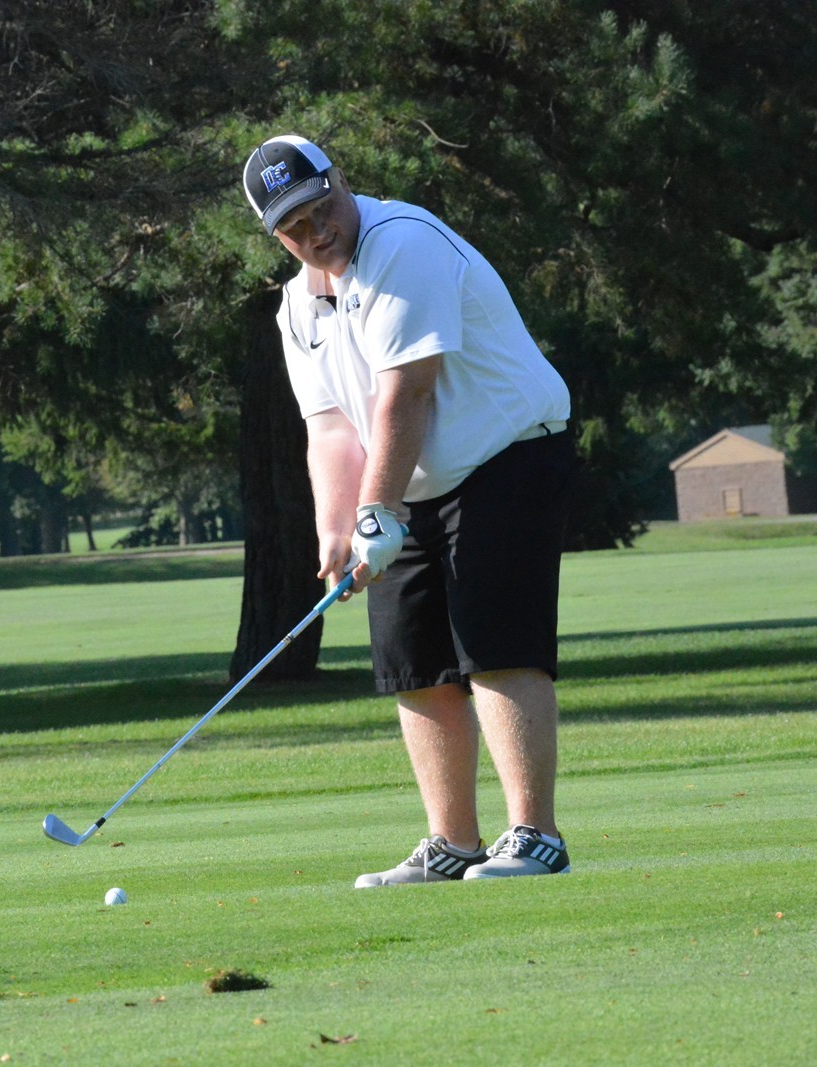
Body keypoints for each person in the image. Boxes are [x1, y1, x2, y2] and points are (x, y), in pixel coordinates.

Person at [241, 135, 576, 886]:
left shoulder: (402, 243)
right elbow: (331, 428)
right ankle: (453, 841)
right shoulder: (297, 307)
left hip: (508, 453)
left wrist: (376, 511)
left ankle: (535, 835)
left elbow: (408, 392)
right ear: (276, 236)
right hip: (405, 483)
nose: (317, 231)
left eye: (322, 207)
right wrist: (338, 528)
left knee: (494, 643)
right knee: (412, 660)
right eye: (294, 227)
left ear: (341, 179)